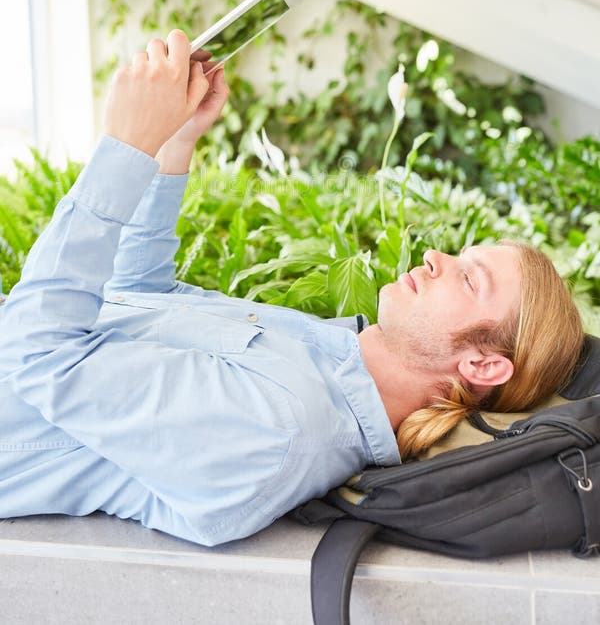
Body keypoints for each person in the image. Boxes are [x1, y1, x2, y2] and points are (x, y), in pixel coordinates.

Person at [0, 30, 584, 547]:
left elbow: (39, 352)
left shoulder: (282, 428)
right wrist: (174, 144)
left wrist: (126, 146)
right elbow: (136, 296)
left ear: (483, 366)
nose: (435, 257)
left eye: (468, 277)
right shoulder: (333, 357)